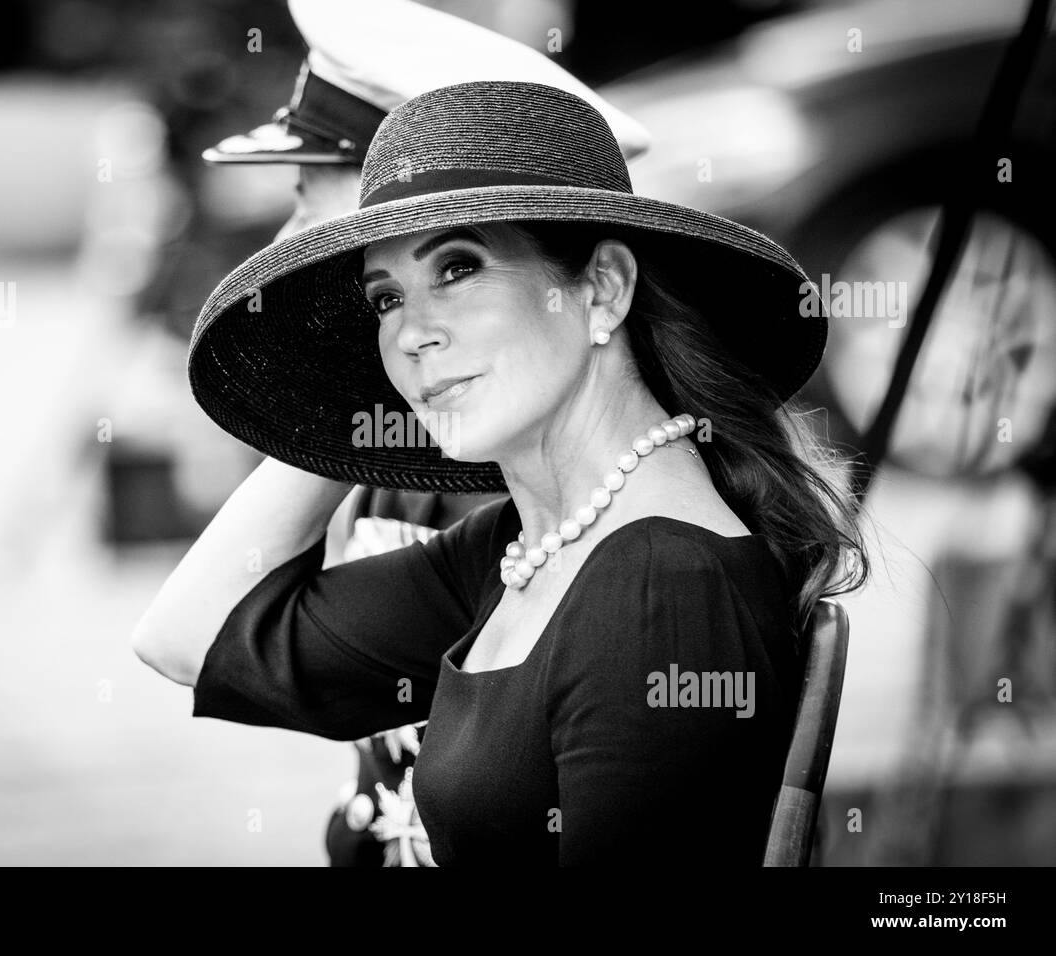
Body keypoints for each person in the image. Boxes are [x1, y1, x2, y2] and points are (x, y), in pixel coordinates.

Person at [135, 79, 870, 866]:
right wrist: (331, 422)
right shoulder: (526, 548)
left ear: (603, 287)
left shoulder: (663, 590)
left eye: (457, 268)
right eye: (385, 297)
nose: (412, 332)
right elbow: (190, 637)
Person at [198, 0, 650, 866]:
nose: (289, 242)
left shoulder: (505, 468)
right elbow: (192, 640)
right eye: (385, 290)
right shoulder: (436, 433)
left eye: (311, 203)